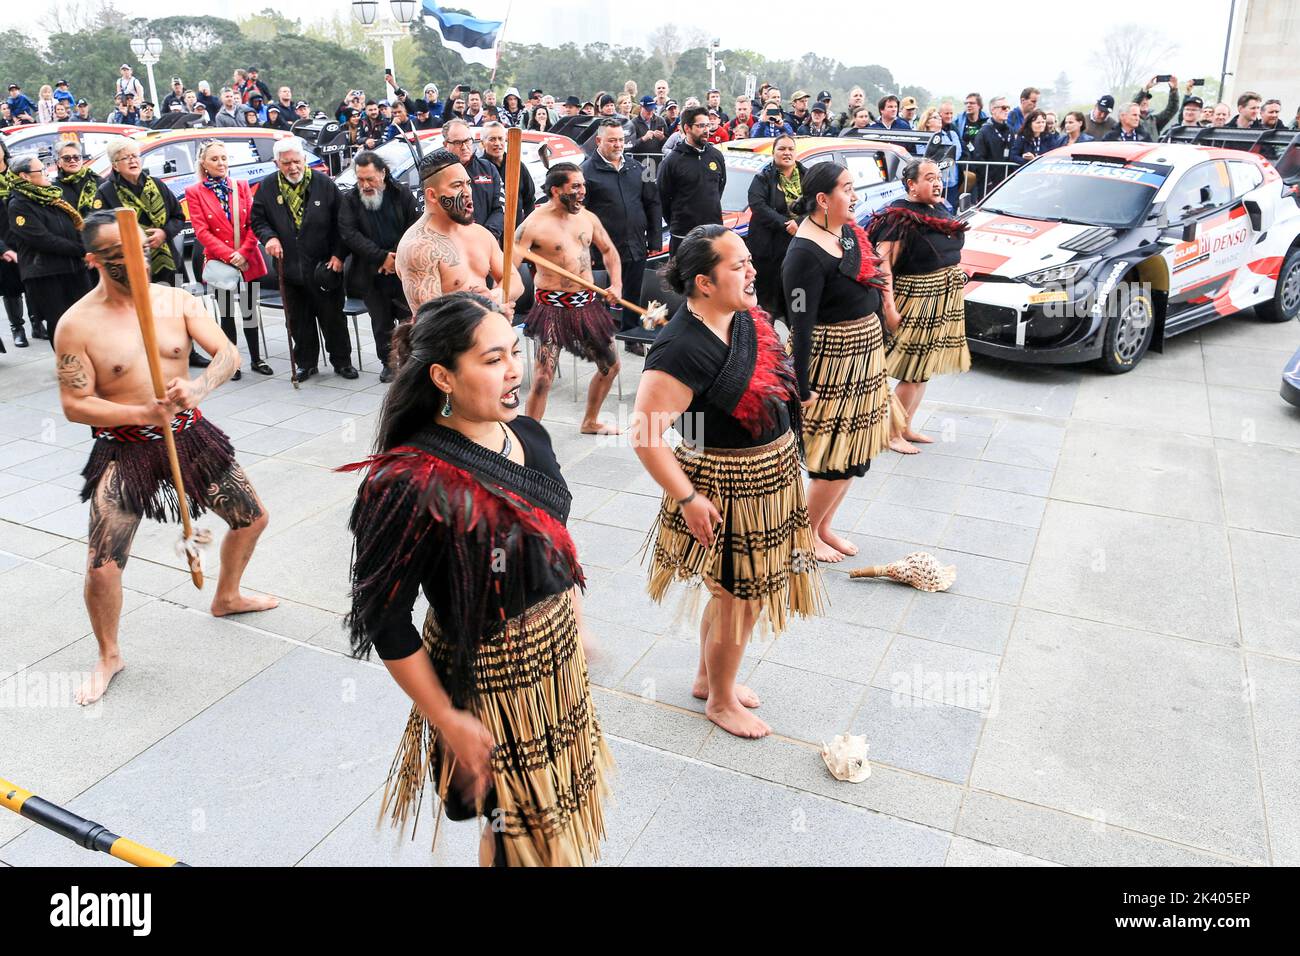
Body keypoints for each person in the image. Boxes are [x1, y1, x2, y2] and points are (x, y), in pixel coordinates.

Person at [342, 291, 611, 866]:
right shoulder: (407, 481)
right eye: (492, 360)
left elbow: (556, 542)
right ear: (442, 375)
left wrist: (576, 627)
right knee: (524, 836)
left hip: (555, 662)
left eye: (514, 351)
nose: (515, 369)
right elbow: (384, 620)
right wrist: (449, 719)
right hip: (489, 682)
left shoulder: (529, 437)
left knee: (536, 821)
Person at [56, 211, 275, 704]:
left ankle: (227, 595)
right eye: (118, 258)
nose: (134, 264)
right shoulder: (77, 324)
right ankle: (109, 653)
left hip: (189, 435)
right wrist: (138, 410)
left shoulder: (177, 300)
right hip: (124, 448)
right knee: (103, 566)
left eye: (139, 250)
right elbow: (75, 404)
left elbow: (227, 355)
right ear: (93, 261)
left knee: (252, 519)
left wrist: (197, 387)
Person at [632, 225, 822, 739]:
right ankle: (720, 700)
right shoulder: (678, 349)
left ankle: (707, 677)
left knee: (732, 594)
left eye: (748, 262)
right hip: (727, 487)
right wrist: (689, 498)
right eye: (737, 266)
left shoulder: (742, 318)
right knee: (741, 595)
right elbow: (647, 437)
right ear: (704, 282)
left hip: (771, 475)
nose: (752, 271)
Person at [782, 163, 893, 562]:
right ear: (823, 199)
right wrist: (803, 384)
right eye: (847, 189)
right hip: (831, 361)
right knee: (835, 456)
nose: (855, 196)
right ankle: (804, 533)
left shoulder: (845, 231)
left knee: (857, 452)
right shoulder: (803, 255)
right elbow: (800, 323)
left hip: (864, 357)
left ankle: (824, 526)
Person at [868, 159, 970, 454]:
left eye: (938, 177)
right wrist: (889, 307)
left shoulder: (939, 208)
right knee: (912, 370)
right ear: (911, 184)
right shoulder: (897, 217)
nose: (937, 183)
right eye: (929, 178)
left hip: (942, 298)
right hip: (915, 298)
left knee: (923, 370)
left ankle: (906, 426)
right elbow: (883, 264)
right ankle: (891, 433)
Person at [514, 163, 622, 434]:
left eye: (583, 185)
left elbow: (609, 250)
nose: (582, 191)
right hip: (550, 308)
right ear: (555, 190)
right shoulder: (533, 225)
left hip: (587, 303)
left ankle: (590, 421)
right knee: (542, 378)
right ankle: (531, 437)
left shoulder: (587, 218)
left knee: (610, 366)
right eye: (575, 186)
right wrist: (502, 296)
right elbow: (509, 267)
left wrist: (617, 284)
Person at [250, 137, 357, 380]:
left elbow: (343, 223)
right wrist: (269, 238)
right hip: (289, 268)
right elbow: (258, 220)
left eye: (297, 161)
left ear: (305, 159)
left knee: (332, 318)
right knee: (298, 321)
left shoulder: (323, 184)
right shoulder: (267, 187)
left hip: (324, 267)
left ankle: (342, 361)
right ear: (277, 163)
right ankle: (306, 363)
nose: (293, 167)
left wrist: (339, 255)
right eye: (286, 163)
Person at [394, 149, 518, 318]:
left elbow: (515, 280)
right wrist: (488, 309)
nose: (467, 192)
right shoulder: (418, 247)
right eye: (457, 185)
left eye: (468, 183)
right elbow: (431, 321)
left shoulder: (480, 234)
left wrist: (496, 297)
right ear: (432, 195)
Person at [185, 140, 273, 380]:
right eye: (214, 159)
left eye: (223, 158)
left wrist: (243, 252)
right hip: (219, 261)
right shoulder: (195, 192)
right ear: (204, 163)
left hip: (247, 259)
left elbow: (253, 224)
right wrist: (228, 256)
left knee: (249, 311)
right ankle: (232, 363)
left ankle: (256, 359)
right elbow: (202, 232)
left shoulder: (241, 186)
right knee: (225, 315)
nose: (220, 163)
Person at [581, 119, 660, 355]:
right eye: (612, 140)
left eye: (621, 140)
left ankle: (631, 335)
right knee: (601, 294)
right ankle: (597, 337)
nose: (618, 145)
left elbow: (652, 203)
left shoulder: (637, 167)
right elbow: (580, 214)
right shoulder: (586, 171)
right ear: (598, 141)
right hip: (601, 248)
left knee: (633, 291)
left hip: (635, 242)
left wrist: (654, 238)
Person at [340, 150, 420, 381]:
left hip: (404, 270)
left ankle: (410, 362)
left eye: (370, 179)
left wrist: (395, 258)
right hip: (370, 272)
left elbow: (414, 226)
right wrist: (381, 258)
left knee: (408, 319)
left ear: (383, 174)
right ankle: (388, 363)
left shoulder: (402, 193)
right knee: (381, 322)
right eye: (360, 179)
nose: (365, 184)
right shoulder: (351, 199)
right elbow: (349, 234)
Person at [7, 153, 93, 347]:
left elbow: (73, 226)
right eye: (41, 170)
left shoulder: (53, 195)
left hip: (74, 269)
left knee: (85, 319)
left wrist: (87, 244)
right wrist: (81, 250)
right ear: (25, 176)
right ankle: (68, 367)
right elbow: (42, 240)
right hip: (46, 274)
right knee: (61, 324)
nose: (47, 172)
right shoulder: (18, 204)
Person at [94, 137, 187, 287]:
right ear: (115, 166)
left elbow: (178, 217)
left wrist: (164, 233)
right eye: (125, 157)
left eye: (135, 156)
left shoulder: (156, 184)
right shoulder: (106, 192)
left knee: (175, 305)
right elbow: (100, 230)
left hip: (169, 261)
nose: (132, 161)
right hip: (131, 266)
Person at [746, 134, 804, 326]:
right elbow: (758, 206)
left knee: (797, 302)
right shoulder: (763, 177)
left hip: (799, 248)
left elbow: (817, 205)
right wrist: (786, 224)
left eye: (790, 149)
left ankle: (797, 345)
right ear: (773, 153)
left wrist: (800, 222)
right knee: (765, 306)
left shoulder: (808, 176)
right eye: (781, 149)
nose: (786, 153)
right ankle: (767, 349)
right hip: (767, 252)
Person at [657, 107, 726, 258]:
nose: (706, 130)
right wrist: (678, 220)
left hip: (713, 233)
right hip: (683, 235)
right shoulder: (672, 161)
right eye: (701, 126)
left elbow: (719, 188)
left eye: (708, 125)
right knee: (682, 279)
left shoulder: (716, 155)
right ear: (687, 128)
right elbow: (663, 198)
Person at [440, 119, 505, 242]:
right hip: (453, 246)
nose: (464, 147)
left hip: (487, 243)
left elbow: (501, 207)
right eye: (458, 142)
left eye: (467, 141)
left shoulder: (488, 168)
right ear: (446, 144)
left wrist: (486, 235)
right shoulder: (438, 174)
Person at [0, 141, 30, 348]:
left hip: (27, 236)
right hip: (3, 240)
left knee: (32, 283)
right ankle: (17, 328)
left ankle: (37, 323)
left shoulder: (16, 171)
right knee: (11, 287)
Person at [480, 121, 536, 224]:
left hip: (515, 230)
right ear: (482, 143)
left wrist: (527, 228)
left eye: (500, 139)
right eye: (492, 139)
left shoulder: (518, 166)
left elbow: (529, 200)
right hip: (489, 233)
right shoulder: (479, 169)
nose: (497, 143)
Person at [972, 97, 1014, 198]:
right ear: (993, 110)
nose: (1007, 110)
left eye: (1008, 107)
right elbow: (978, 159)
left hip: (1007, 180)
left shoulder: (1010, 130)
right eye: (1003, 107)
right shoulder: (983, 132)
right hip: (989, 183)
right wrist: (988, 180)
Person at [55, 141, 103, 219]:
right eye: (67, 158)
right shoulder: (55, 189)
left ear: (81, 160)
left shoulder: (97, 181)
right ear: (58, 163)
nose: (72, 160)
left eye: (76, 157)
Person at [1134, 76, 1180, 140]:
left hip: (1153, 150)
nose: (1145, 102)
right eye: (1142, 100)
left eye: (1147, 100)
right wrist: (1146, 89)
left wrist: (1174, 90)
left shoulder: (1154, 120)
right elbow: (1132, 106)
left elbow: (1172, 109)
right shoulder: (1129, 120)